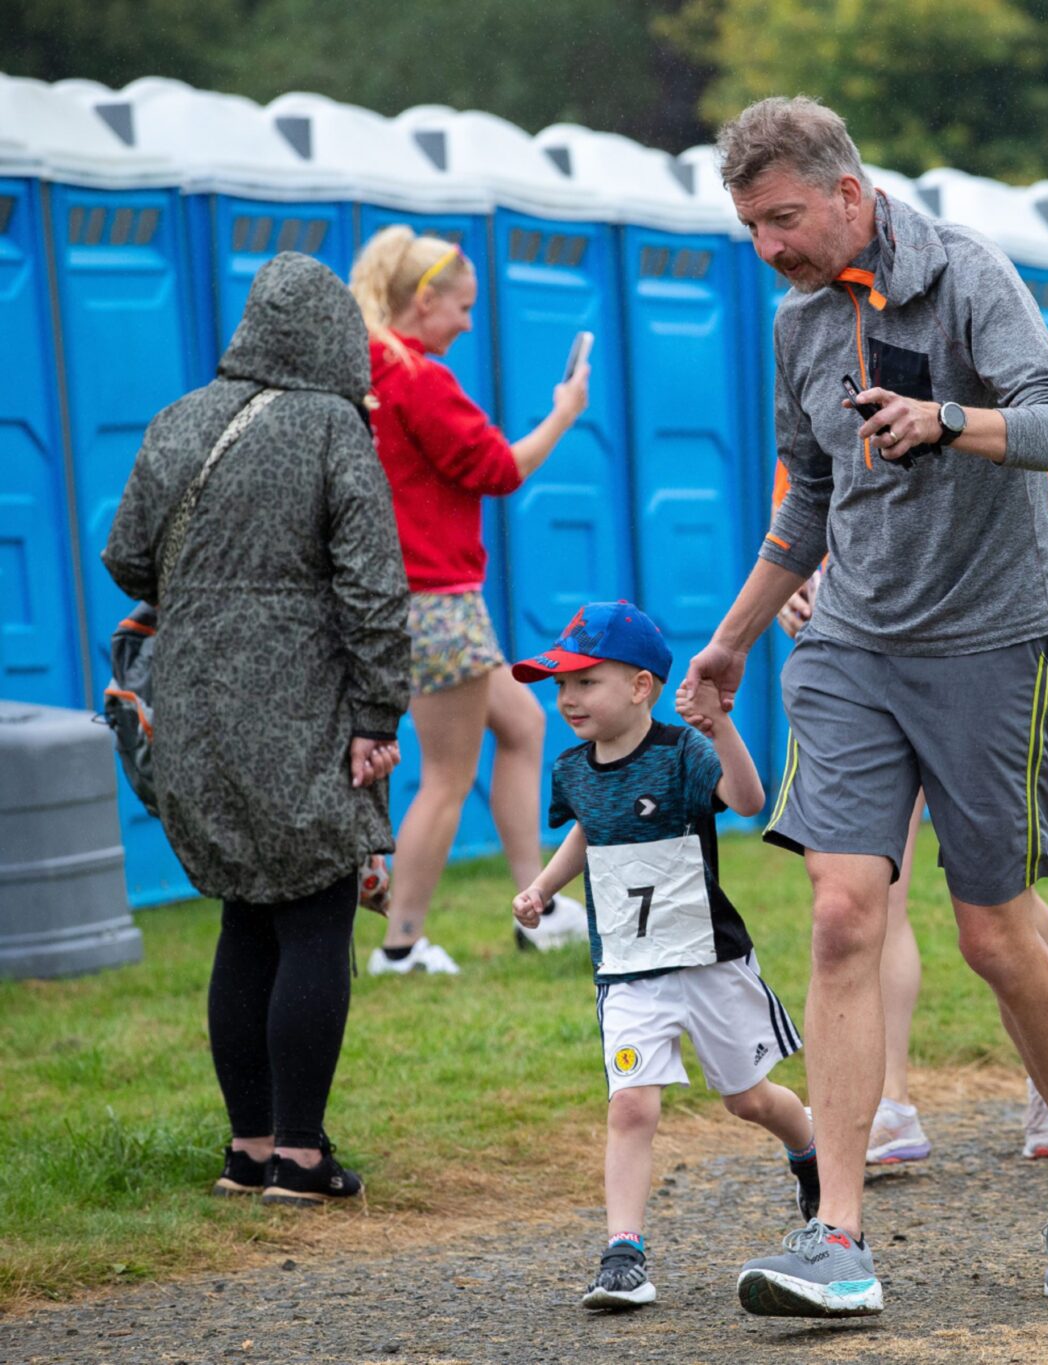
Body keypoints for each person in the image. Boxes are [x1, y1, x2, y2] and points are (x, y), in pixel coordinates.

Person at [680, 96, 1048, 1317]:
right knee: (841, 914)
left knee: (991, 933)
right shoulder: (795, 323)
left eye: (781, 219)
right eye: (748, 225)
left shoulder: (970, 279)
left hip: (991, 643)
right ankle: (835, 1237)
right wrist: (726, 642)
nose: (766, 245)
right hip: (851, 646)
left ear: (846, 192)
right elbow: (806, 501)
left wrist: (949, 421)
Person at [102, 252, 409, 1205]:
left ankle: (249, 1149)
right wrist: (377, 713)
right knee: (315, 913)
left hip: (192, 703)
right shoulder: (334, 428)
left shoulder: (177, 419)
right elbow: (372, 585)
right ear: (335, 337)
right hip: (300, 698)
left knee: (243, 915)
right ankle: (303, 1160)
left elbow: (125, 559)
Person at [772, 471, 1048, 1166]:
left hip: (973, 670)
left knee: (1000, 913)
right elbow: (799, 551)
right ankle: (891, 1104)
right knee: (863, 898)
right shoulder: (821, 409)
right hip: (864, 675)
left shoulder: (984, 408)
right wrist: (794, 603)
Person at [508, 601, 816, 1310]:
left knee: (747, 1099)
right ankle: (624, 1252)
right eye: (560, 686)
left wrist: (723, 725)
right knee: (631, 1107)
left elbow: (746, 797)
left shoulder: (681, 753)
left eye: (586, 681)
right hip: (627, 971)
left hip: (709, 961)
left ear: (642, 686)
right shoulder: (571, 769)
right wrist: (545, 887)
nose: (568, 699)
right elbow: (591, 829)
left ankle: (808, 1151)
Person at [349, 225, 593, 975]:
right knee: (447, 776)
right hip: (439, 603)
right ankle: (401, 944)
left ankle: (537, 905)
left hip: (409, 599)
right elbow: (499, 468)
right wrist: (564, 411)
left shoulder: (369, 369)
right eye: (461, 307)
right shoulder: (420, 379)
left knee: (519, 722)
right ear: (423, 301)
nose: (467, 322)